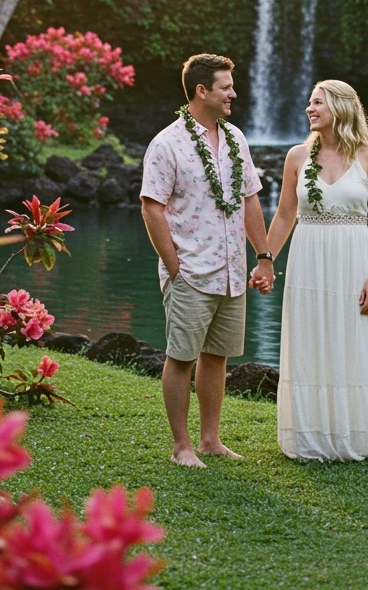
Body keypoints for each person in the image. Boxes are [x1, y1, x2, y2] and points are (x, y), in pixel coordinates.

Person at [140, 53, 275, 468]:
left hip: (233, 270)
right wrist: (173, 265)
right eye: (226, 86)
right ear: (202, 91)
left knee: (217, 356)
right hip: (191, 271)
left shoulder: (235, 138)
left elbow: (250, 198)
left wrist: (264, 255)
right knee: (181, 357)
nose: (234, 93)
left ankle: (210, 440)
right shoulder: (167, 144)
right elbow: (152, 206)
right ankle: (181, 446)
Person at [264, 79, 368, 462]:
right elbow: (286, 215)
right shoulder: (296, 156)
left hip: (352, 260)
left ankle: (355, 434)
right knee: (309, 339)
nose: (309, 109)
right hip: (308, 259)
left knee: (351, 340)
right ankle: (310, 435)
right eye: (309, 102)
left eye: (317, 102)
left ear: (340, 107)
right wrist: (266, 260)